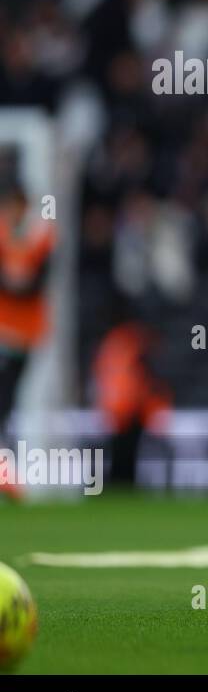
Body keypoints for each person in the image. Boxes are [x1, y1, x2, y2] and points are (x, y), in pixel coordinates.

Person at [0, 178, 56, 501]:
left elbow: (36, 283)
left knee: (8, 402)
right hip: (6, 332)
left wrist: (17, 283)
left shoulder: (40, 237)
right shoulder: (7, 236)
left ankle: (8, 473)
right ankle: (8, 474)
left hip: (22, 337)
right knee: (5, 403)